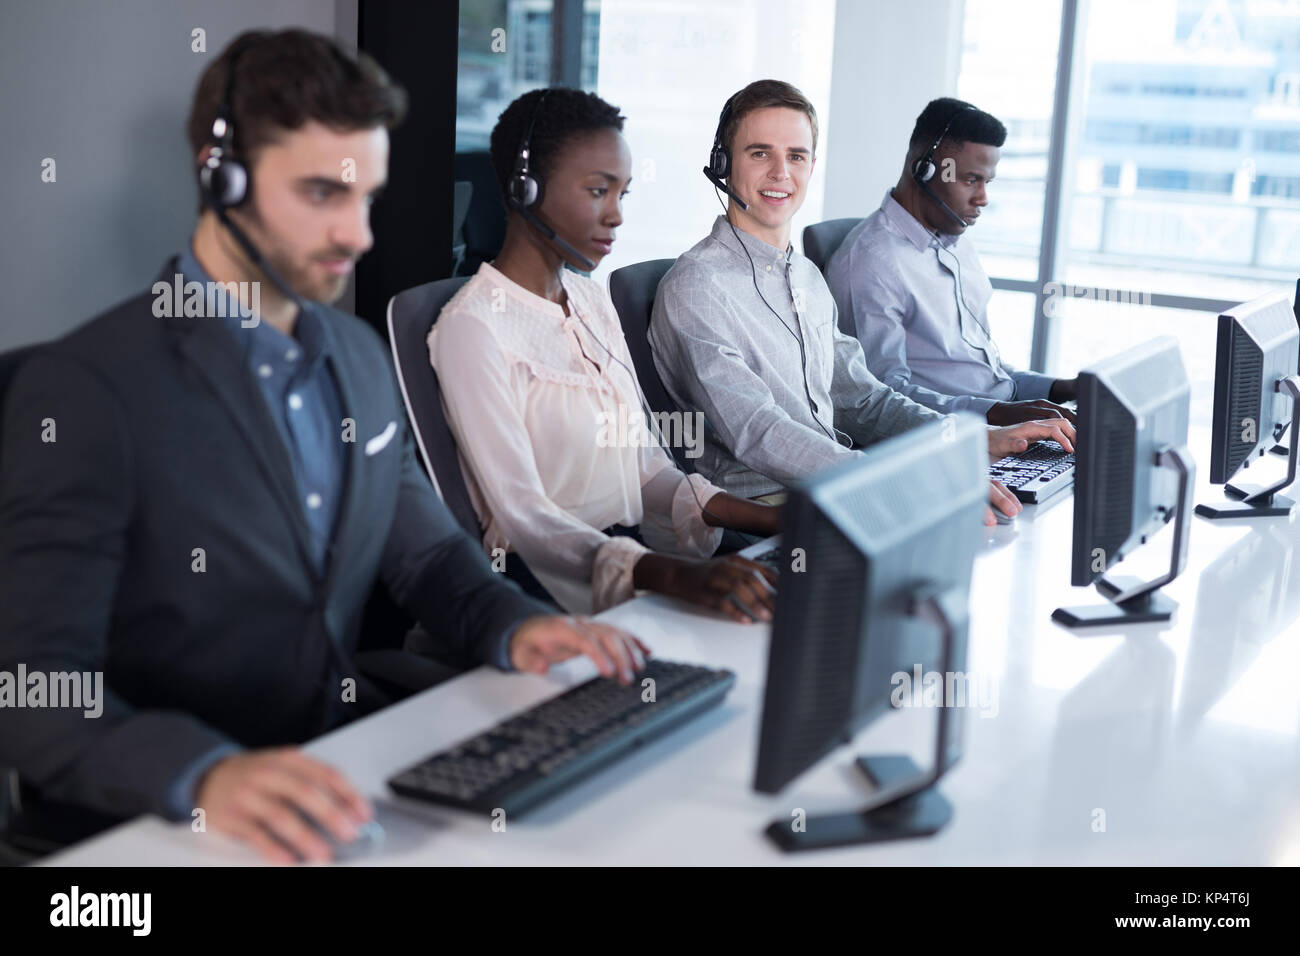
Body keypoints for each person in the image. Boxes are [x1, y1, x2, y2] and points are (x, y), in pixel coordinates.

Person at [0, 30, 645, 865]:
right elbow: (34, 688)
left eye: (365, 198)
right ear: (219, 176)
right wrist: (204, 776)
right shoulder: (87, 390)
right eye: (320, 194)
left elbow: (431, 564)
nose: (357, 235)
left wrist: (518, 628)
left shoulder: (357, 358)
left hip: (334, 788)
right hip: (160, 828)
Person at [649, 80, 1075, 524]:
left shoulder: (804, 276)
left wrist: (969, 438)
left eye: (795, 156)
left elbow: (861, 399)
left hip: (842, 487)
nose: (780, 173)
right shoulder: (697, 287)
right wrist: (894, 483)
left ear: (812, 166)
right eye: (760, 154)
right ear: (723, 164)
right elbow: (757, 431)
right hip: (768, 514)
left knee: (1003, 530)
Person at [429, 88, 780, 621]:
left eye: (623, 194)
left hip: (633, 562)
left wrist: (777, 520)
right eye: (598, 191)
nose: (616, 216)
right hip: (543, 591)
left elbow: (645, 467)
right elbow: (525, 518)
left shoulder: (593, 300)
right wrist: (670, 575)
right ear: (525, 190)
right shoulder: (471, 327)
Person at [825, 97, 1078, 424]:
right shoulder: (871, 263)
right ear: (923, 169)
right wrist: (997, 415)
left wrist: (1062, 389)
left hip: (999, 427)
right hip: (947, 441)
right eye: (971, 180)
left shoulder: (957, 247)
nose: (983, 198)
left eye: (987, 182)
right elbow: (881, 396)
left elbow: (986, 375)